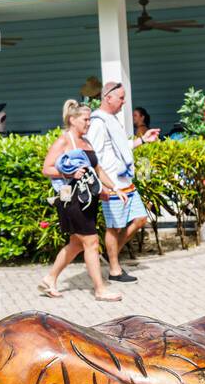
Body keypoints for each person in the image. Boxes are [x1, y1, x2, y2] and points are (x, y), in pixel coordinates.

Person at [39, 101, 129, 302]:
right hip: (71, 199)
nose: (89, 123)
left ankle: (49, 279)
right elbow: (46, 169)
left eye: (90, 119)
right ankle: (100, 289)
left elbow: (97, 170)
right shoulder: (64, 141)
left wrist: (114, 188)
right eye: (85, 119)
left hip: (88, 198)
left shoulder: (86, 142)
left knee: (76, 244)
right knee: (91, 242)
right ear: (72, 119)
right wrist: (69, 172)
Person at [86, 81, 156, 283]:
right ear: (108, 98)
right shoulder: (98, 122)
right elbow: (94, 156)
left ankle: (111, 254)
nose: (124, 102)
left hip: (125, 181)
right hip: (113, 184)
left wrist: (143, 140)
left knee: (140, 218)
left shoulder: (112, 119)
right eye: (121, 98)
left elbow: (121, 147)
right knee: (114, 227)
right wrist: (102, 185)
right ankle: (114, 269)